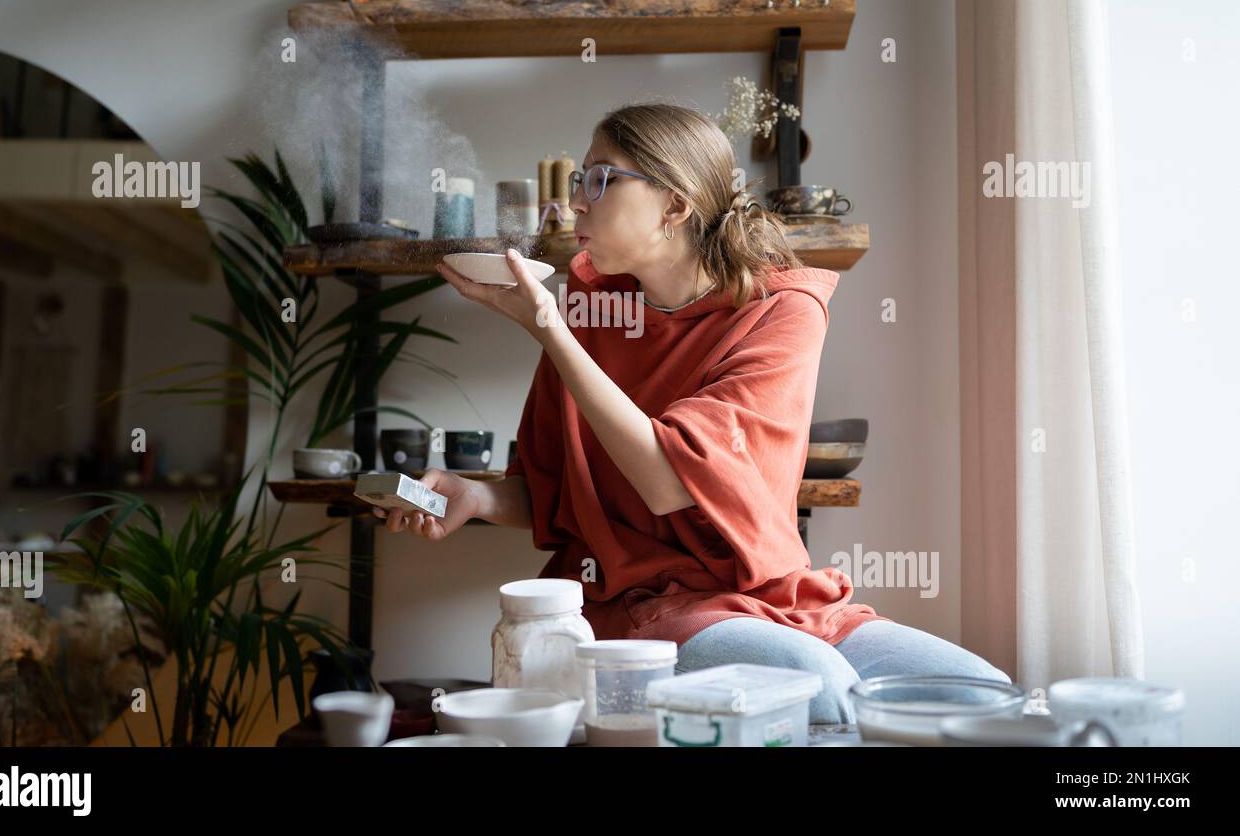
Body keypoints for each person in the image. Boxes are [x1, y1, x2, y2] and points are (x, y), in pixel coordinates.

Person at [370, 102, 1012, 723]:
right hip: (639, 608)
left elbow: (668, 481)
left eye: (600, 179)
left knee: (988, 695)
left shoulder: (782, 311)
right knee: (823, 694)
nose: (576, 203)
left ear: (675, 203)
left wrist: (550, 331)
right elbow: (565, 493)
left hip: (774, 598)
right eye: (577, 181)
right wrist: (475, 497)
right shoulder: (588, 315)